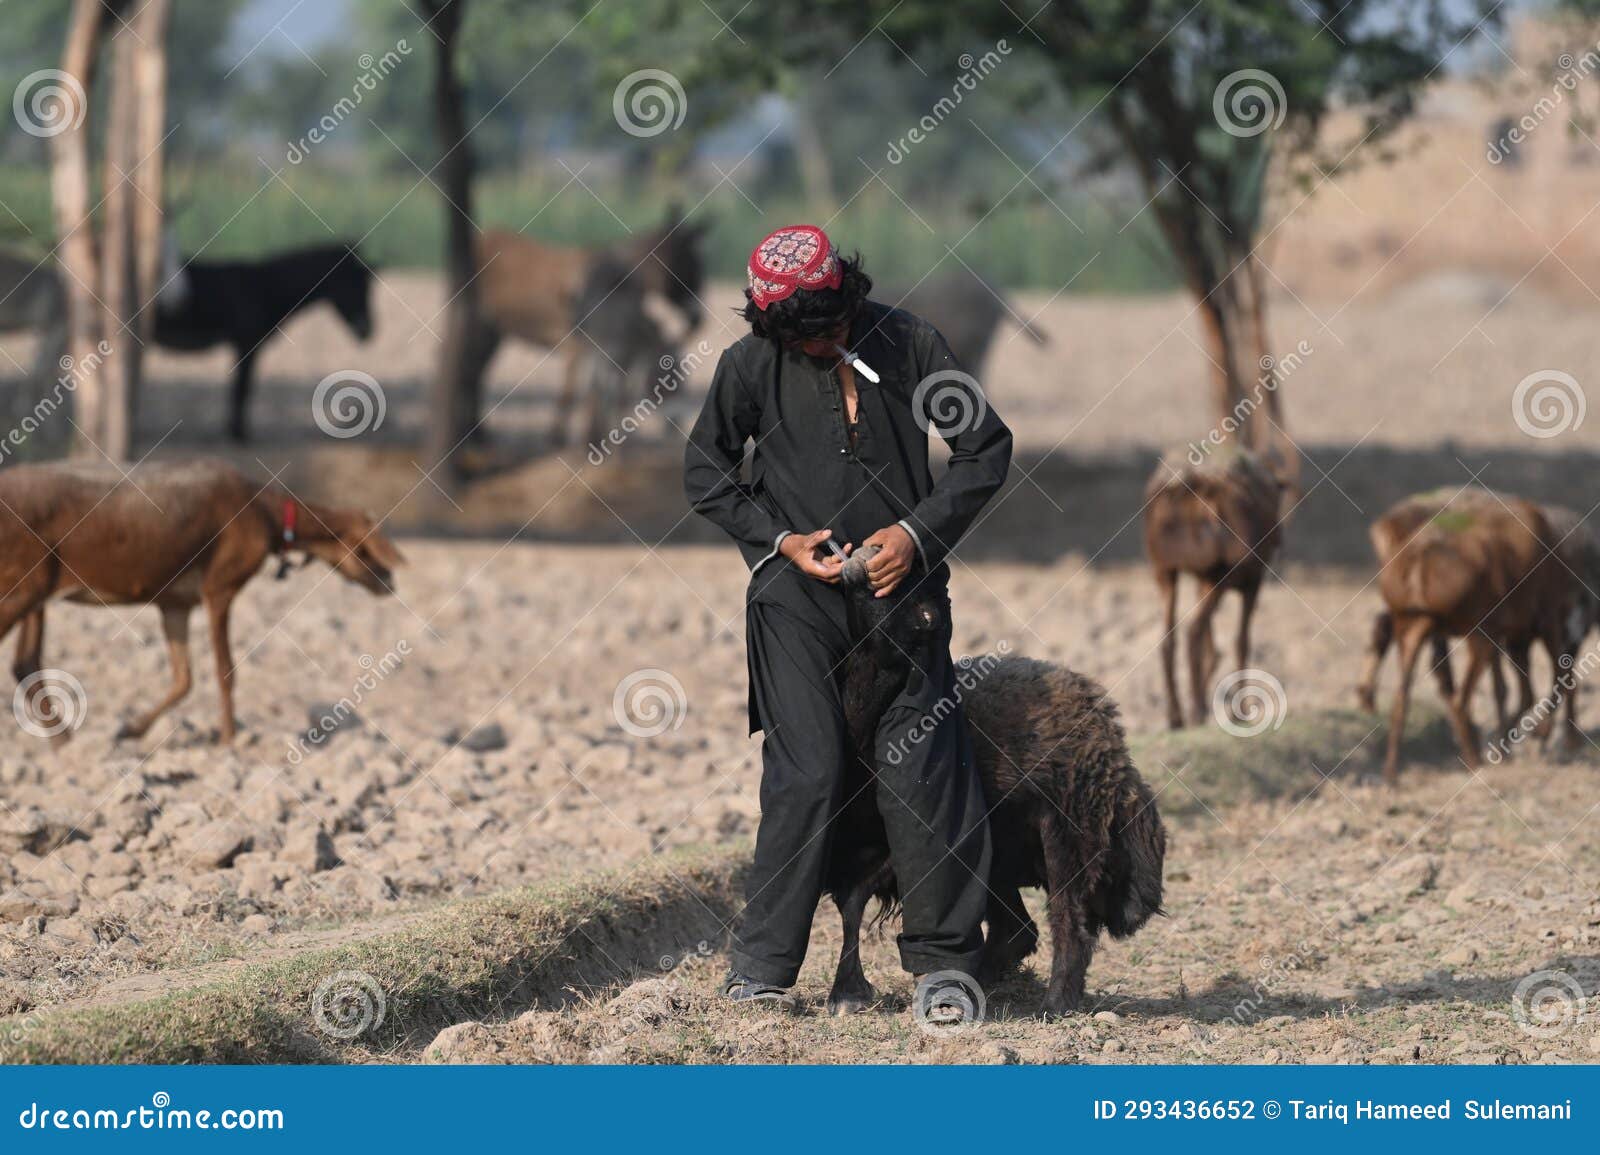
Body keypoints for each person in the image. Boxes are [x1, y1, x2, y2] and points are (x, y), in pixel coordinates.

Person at [684, 224, 1013, 1013]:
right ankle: (761, 970)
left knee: (923, 769)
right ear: (772, 330)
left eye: (836, 328)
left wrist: (915, 536)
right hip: (795, 604)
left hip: (908, 604)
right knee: (808, 771)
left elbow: (986, 449)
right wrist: (780, 540)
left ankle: (944, 968)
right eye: (808, 339)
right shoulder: (746, 366)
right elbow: (705, 468)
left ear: (850, 296)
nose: (827, 344)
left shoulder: (915, 345)